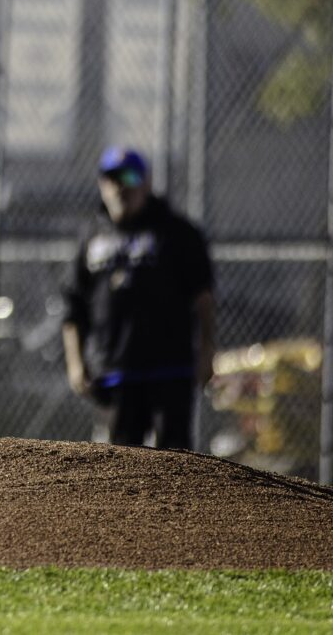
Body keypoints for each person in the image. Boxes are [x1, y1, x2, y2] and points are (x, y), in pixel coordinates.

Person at [62, 146, 215, 449]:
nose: (121, 186)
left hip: (170, 367)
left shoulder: (176, 232)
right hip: (114, 370)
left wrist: (208, 351)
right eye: (112, 178)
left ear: (146, 183)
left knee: (175, 458)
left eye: (131, 177)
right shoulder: (91, 236)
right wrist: (75, 363)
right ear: (102, 184)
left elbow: (204, 299)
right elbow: (73, 307)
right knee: (119, 461)